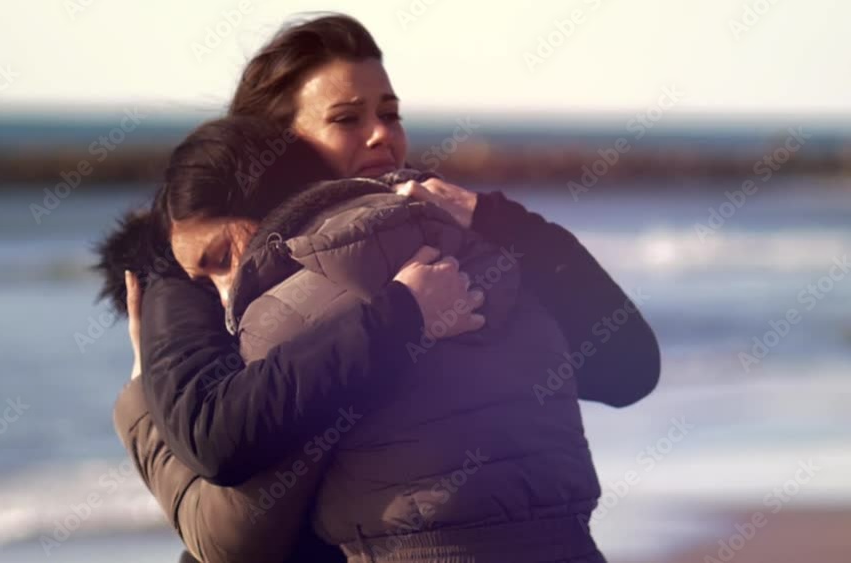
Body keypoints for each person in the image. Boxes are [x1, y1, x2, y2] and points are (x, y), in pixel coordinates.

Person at [114, 12, 659, 562]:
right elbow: (215, 438)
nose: (381, 134)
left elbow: (624, 367)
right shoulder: (207, 259)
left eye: (390, 113)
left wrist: (499, 221)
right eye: (347, 118)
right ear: (278, 147)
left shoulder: (438, 241)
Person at [101, 116, 485, 563]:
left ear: (273, 205)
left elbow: (227, 534)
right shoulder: (252, 322)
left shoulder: (313, 306)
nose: (225, 297)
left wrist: (140, 400)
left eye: (224, 258)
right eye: (204, 283)